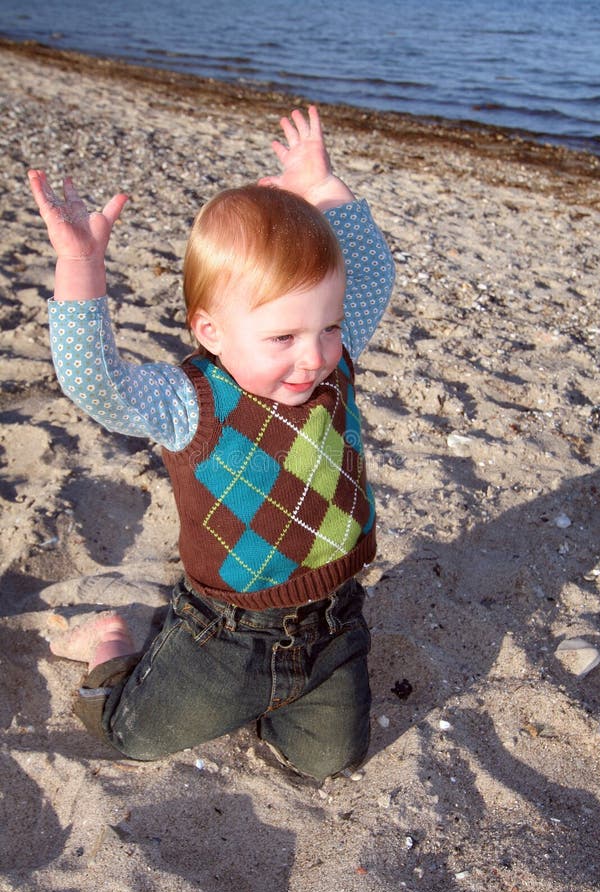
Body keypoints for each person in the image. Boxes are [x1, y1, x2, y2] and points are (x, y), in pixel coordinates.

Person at [28, 105, 395, 781]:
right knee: (133, 737)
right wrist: (80, 264)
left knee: (330, 760)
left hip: (335, 621)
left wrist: (324, 189)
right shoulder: (190, 402)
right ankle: (112, 643)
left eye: (328, 327)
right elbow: (95, 384)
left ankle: (288, 702)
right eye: (282, 338)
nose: (312, 357)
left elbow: (372, 273)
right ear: (212, 330)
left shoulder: (333, 362)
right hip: (227, 637)